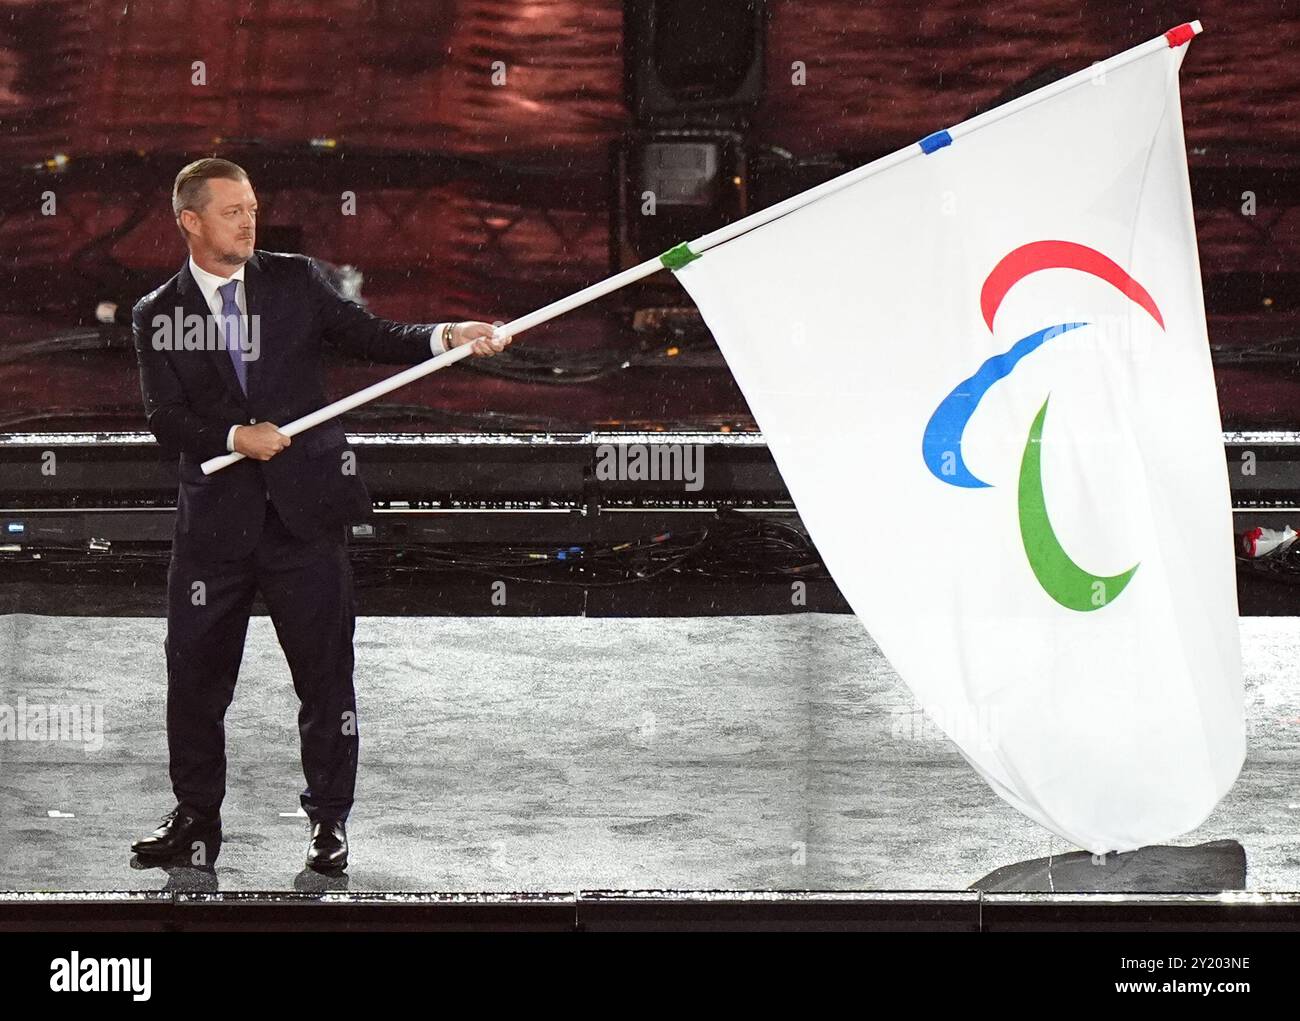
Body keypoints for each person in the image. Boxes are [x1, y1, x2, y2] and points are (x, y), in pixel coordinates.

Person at [129, 157, 508, 872]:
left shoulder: (296, 280)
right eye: (233, 209)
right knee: (195, 679)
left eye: (252, 207)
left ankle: (329, 821)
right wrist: (236, 439)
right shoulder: (159, 315)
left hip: (306, 517)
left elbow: (373, 335)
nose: (249, 219)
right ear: (190, 220)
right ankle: (196, 819)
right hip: (216, 531)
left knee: (326, 677)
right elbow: (165, 417)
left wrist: (447, 334)